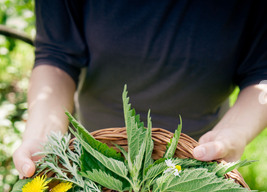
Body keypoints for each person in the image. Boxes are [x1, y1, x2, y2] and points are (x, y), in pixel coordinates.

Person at [13, 0, 267, 178]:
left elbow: (262, 73)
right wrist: (43, 136)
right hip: (97, 156)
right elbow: (57, 54)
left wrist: (233, 135)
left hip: (197, 159)